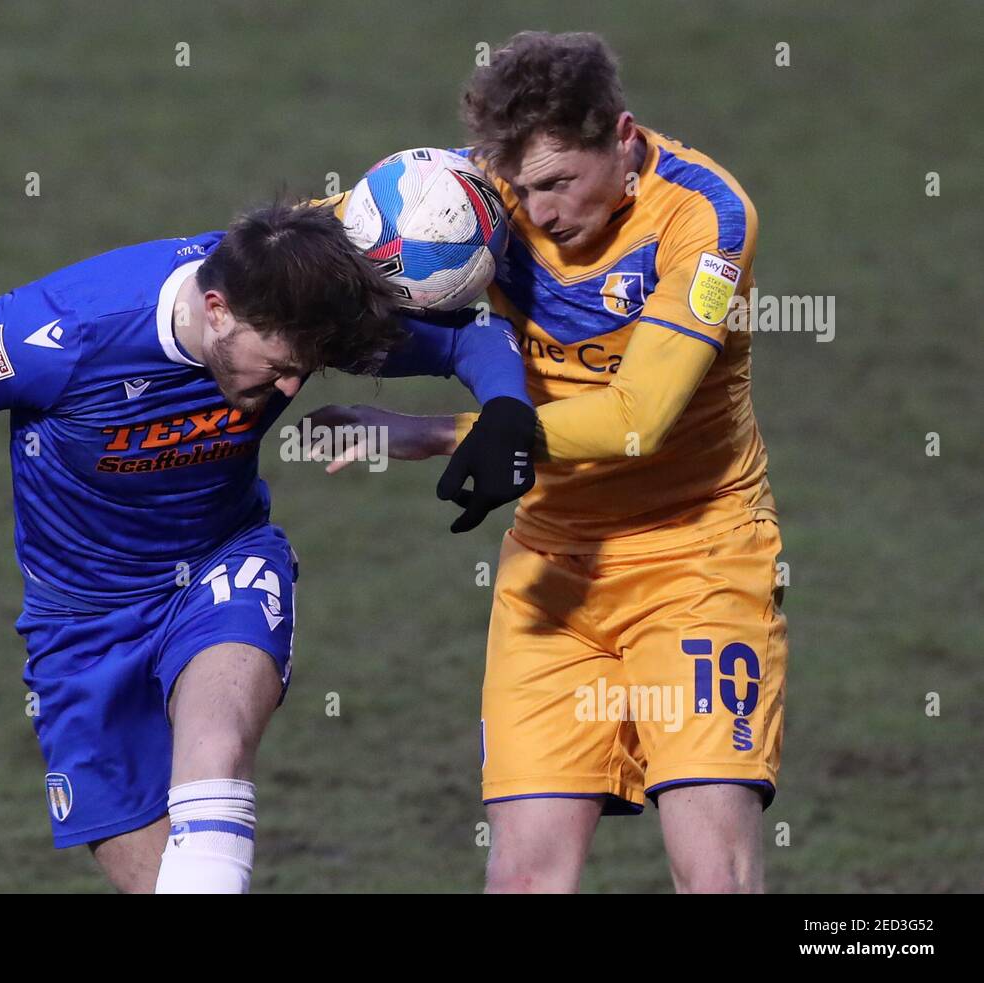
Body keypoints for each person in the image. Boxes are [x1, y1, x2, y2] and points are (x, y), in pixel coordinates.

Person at [0, 202, 536, 893]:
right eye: (281, 368)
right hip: (79, 622)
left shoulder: (298, 310)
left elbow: (468, 336)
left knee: (214, 749)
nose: (290, 390)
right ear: (217, 312)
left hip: (222, 562)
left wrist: (504, 410)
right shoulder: (59, 334)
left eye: (304, 373)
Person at [311, 31, 787, 893]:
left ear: (624, 135)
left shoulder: (705, 218)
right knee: (524, 879)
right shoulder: (468, 193)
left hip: (699, 562)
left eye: (559, 182)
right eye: (519, 188)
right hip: (555, 569)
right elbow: (295, 246)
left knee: (714, 872)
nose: (535, 211)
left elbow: (637, 419)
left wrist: (431, 435)